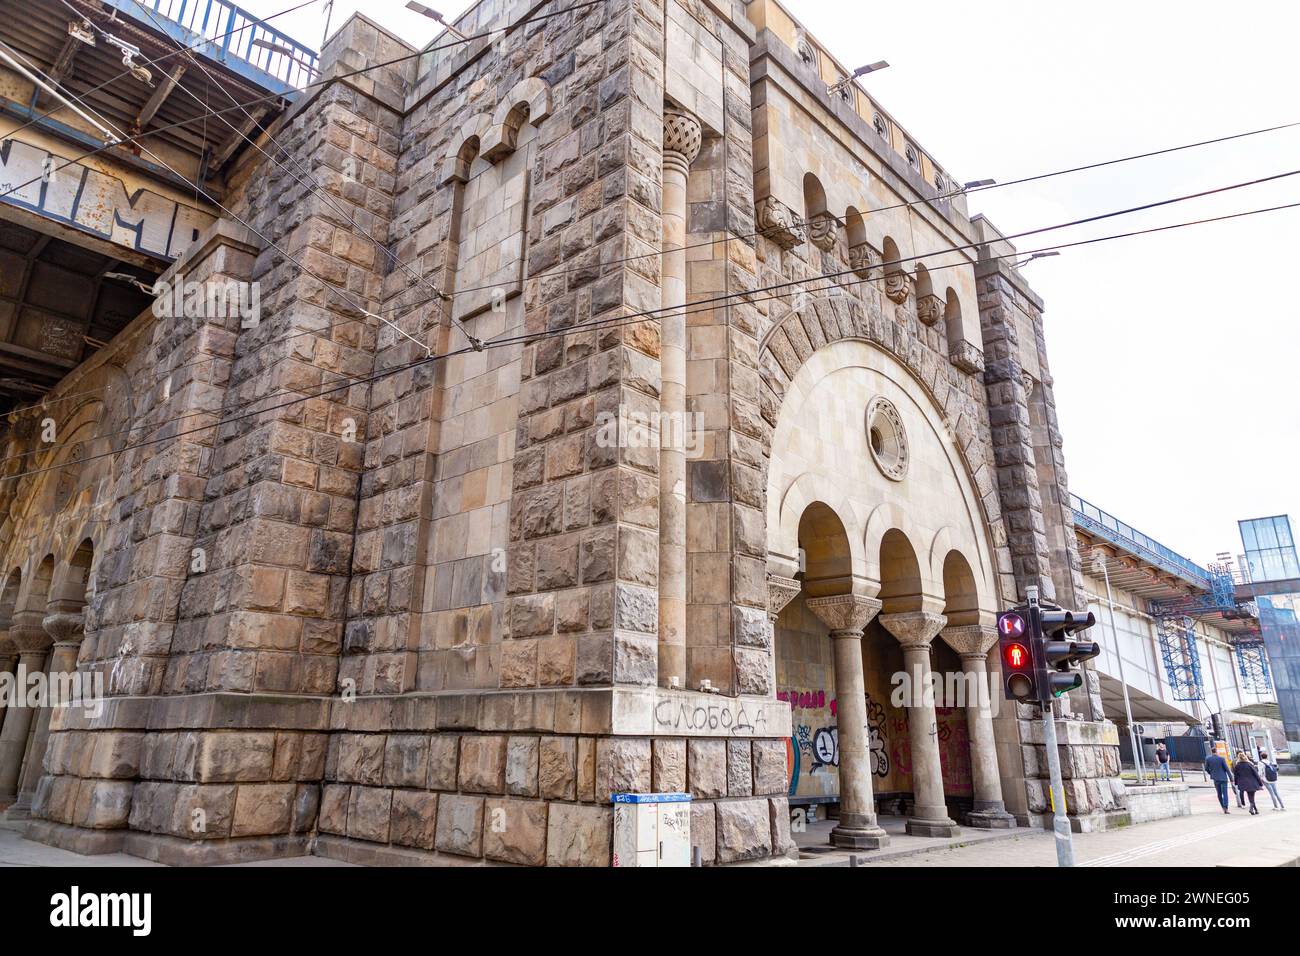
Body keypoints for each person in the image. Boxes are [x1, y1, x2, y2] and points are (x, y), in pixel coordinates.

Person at [1232, 751, 1265, 815]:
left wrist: (1236, 783)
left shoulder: (1237, 766)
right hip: (1252, 782)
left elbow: (1236, 775)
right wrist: (1260, 783)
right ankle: (1251, 808)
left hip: (1243, 784)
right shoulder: (1249, 764)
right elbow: (1256, 774)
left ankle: (1255, 810)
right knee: (1252, 796)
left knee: (1250, 796)